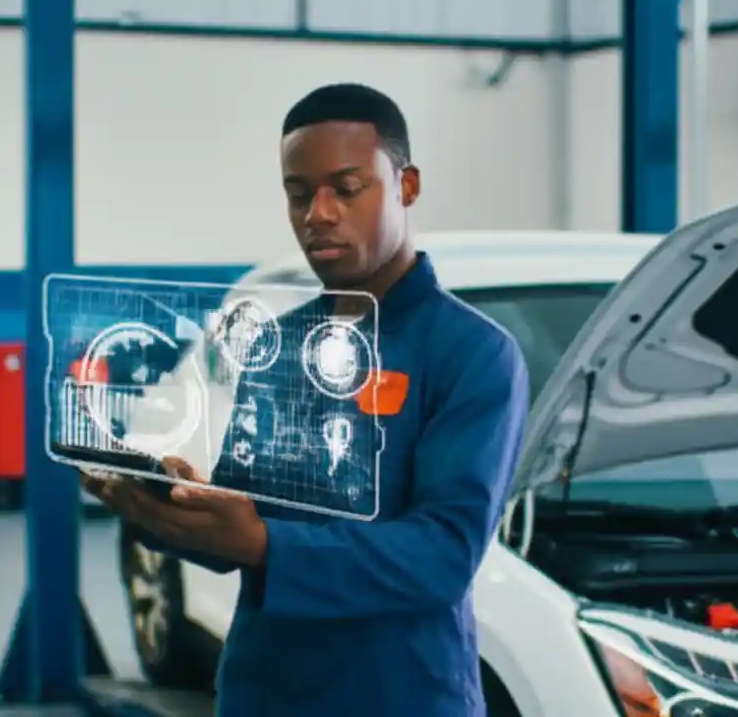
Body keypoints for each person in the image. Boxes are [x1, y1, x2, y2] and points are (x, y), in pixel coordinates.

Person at [82, 82, 531, 716]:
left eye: (345, 189)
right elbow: (248, 524)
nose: (317, 214)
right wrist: (165, 511)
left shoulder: (470, 354)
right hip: (267, 691)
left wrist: (265, 544)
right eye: (299, 194)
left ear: (406, 186)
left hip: (398, 694)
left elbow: (442, 555)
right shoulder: (282, 345)